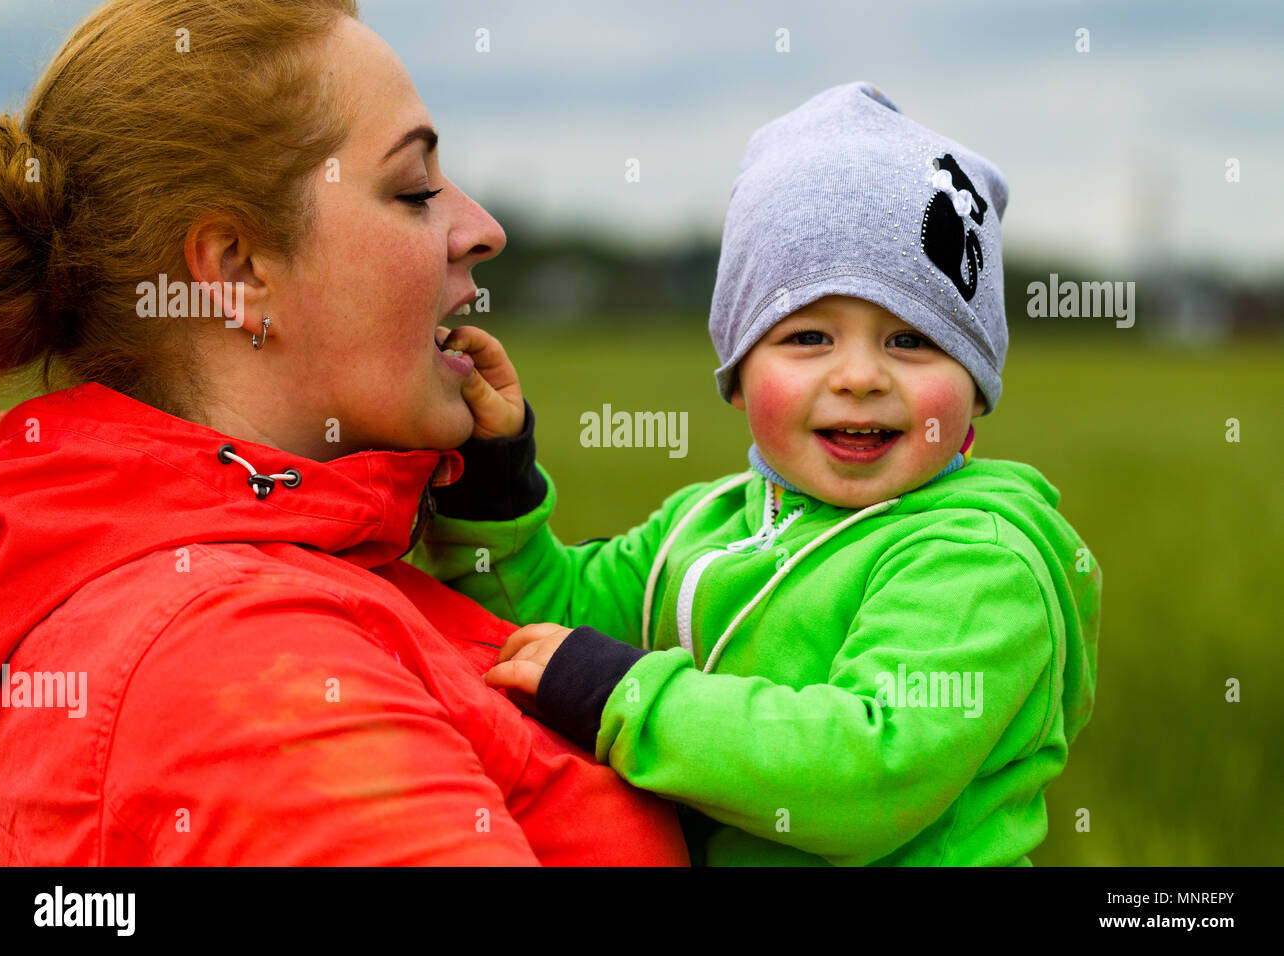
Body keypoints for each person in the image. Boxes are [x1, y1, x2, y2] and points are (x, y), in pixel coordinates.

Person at [0, 0, 689, 866]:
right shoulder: (234, 660)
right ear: (239, 273)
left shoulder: (308, 571)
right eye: (416, 189)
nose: (483, 229)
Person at [415, 82, 1103, 866]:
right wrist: (493, 479)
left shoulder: (978, 562)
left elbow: (864, 773)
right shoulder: (704, 526)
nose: (859, 377)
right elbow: (536, 624)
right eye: (809, 336)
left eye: (912, 340)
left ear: (976, 384)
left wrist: (625, 694)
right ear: (739, 375)